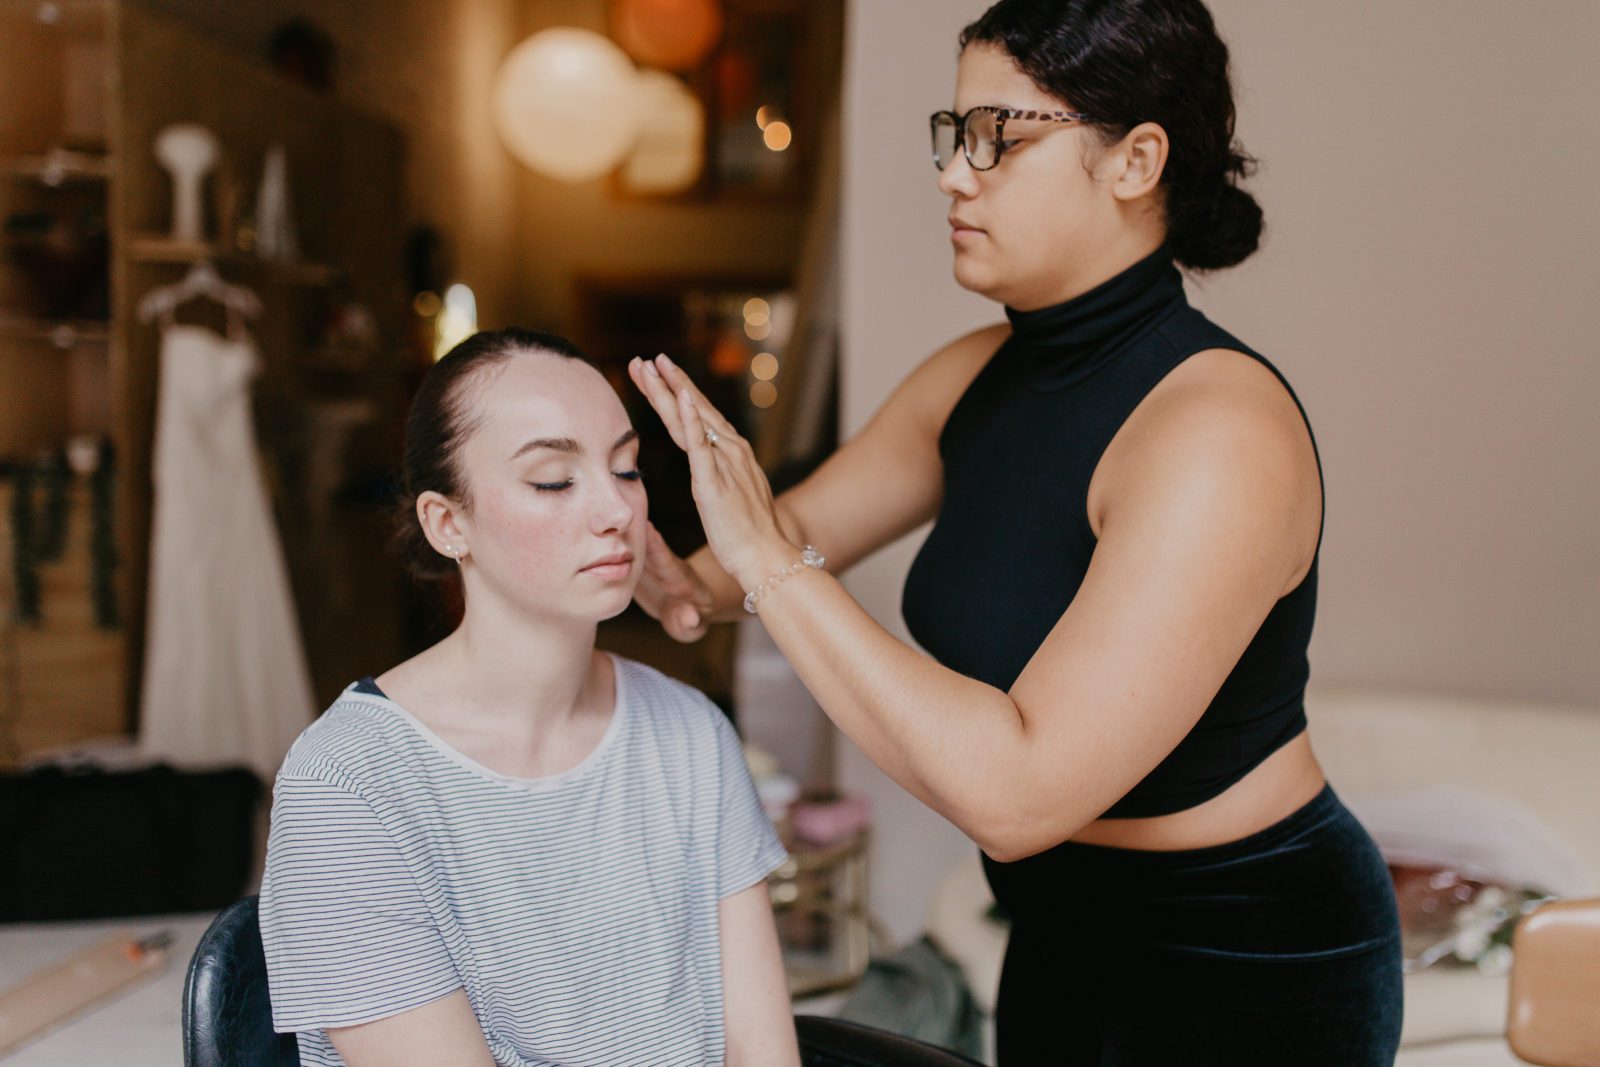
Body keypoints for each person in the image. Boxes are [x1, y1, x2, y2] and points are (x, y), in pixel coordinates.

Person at [625, 1, 1403, 1063]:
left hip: (1247, 969)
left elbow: (1017, 792)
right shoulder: (972, 378)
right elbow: (788, 528)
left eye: (1000, 138)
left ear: (1134, 161)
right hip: (1056, 935)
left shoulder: (1217, 429)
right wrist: (648, 565)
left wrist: (765, 561)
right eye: (955, 134)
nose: (956, 174)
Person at [259, 328, 800, 1067]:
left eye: (628, 469)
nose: (617, 510)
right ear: (448, 523)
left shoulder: (692, 733)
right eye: (553, 479)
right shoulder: (349, 787)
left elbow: (763, 1052)